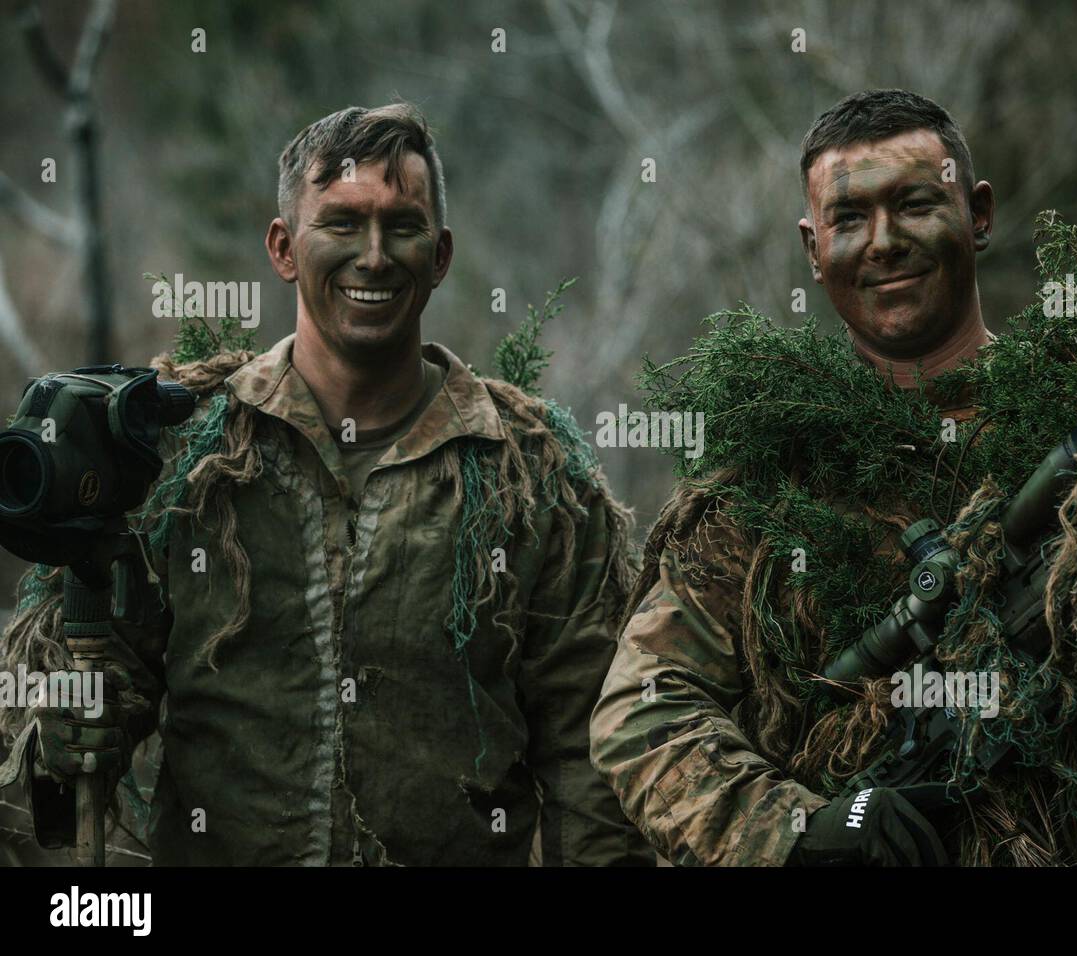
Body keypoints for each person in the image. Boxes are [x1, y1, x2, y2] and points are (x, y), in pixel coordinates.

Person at [589, 89, 1077, 866]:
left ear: (980, 213)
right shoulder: (758, 488)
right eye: (851, 217)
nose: (884, 241)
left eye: (915, 203)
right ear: (813, 249)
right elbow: (643, 713)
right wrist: (799, 832)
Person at [0, 102, 653, 867]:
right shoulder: (183, 454)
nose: (373, 255)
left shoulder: (532, 474)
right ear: (283, 247)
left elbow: (589, 754)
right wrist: (65, 726)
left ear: (440, 256)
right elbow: (77, 704)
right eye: (341, 224)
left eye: (402, 225)